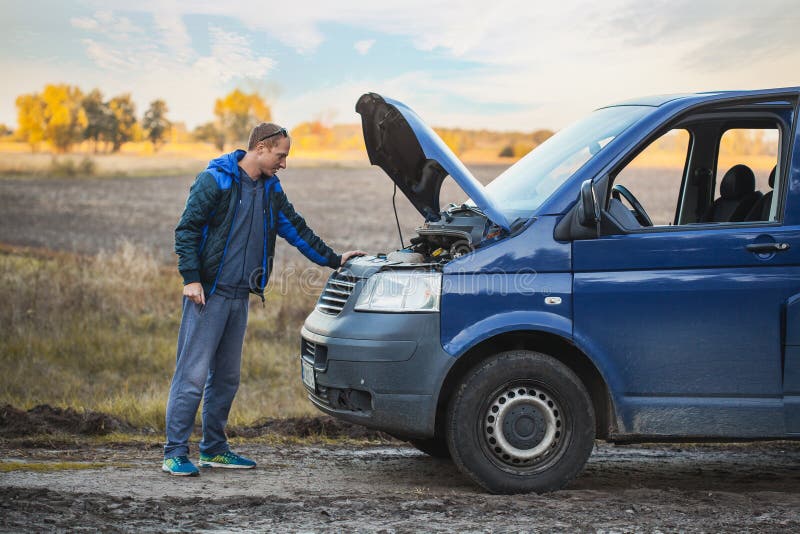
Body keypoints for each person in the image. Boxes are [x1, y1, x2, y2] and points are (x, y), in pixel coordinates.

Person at [163, 123, 365, 476]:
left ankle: (213, 449)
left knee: (226, 377)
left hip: (240, 295)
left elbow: (296, 229)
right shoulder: (216, 180)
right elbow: (187, 229)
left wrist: (334, 259)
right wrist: (191, 279)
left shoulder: (270, 190)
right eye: (281, 155)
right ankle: (175, 453)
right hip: (207, 295)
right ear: (259, 148)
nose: (284, 163)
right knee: (192, 375)